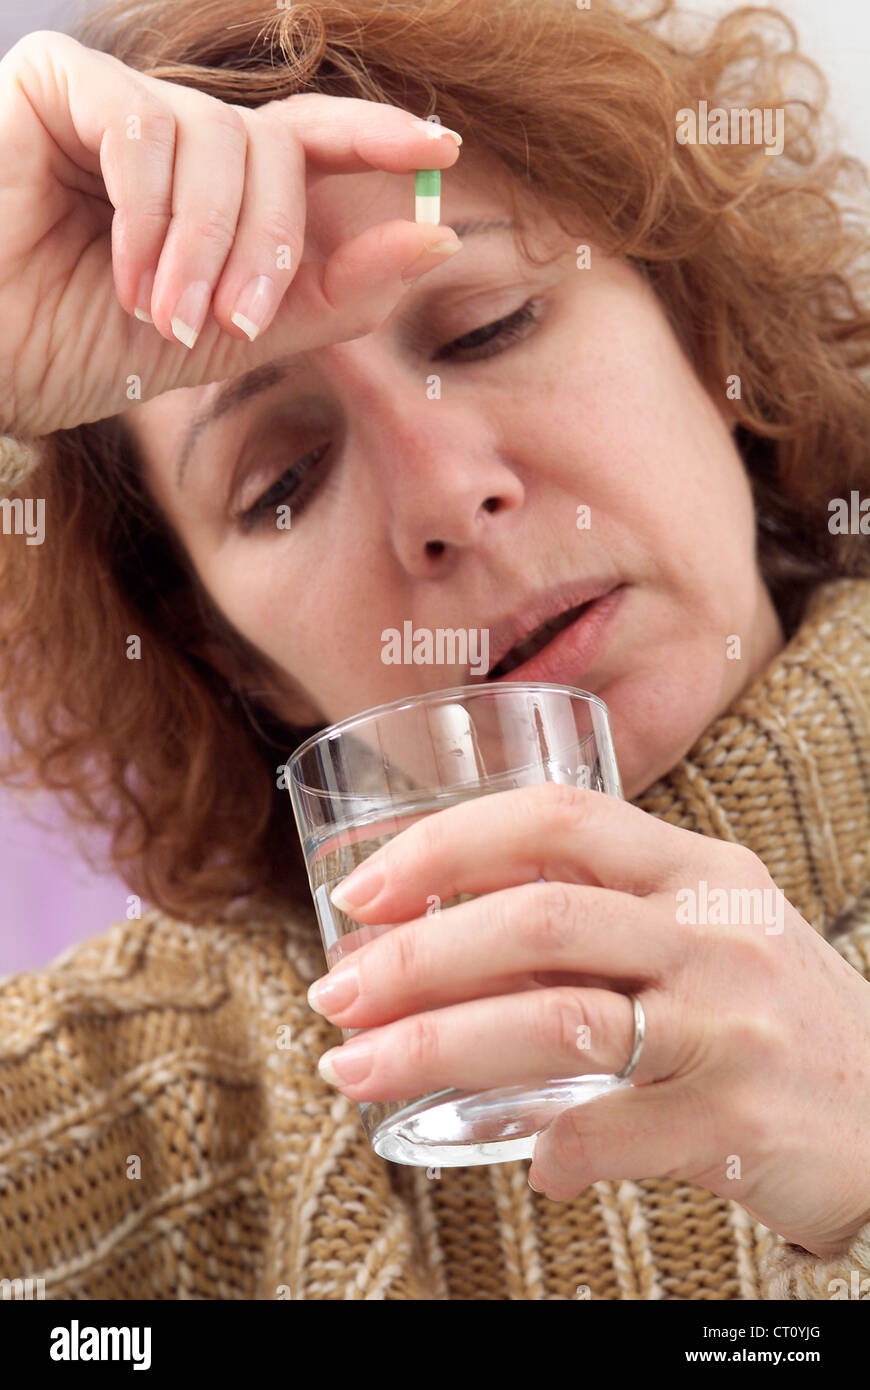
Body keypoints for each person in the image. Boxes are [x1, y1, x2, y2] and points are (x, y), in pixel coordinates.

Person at [0, 0, 869, 1301]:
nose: (444, 500)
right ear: (231, 652)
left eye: (486, 328)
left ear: (707, 331)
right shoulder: (165, 1102)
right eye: (283, 478)